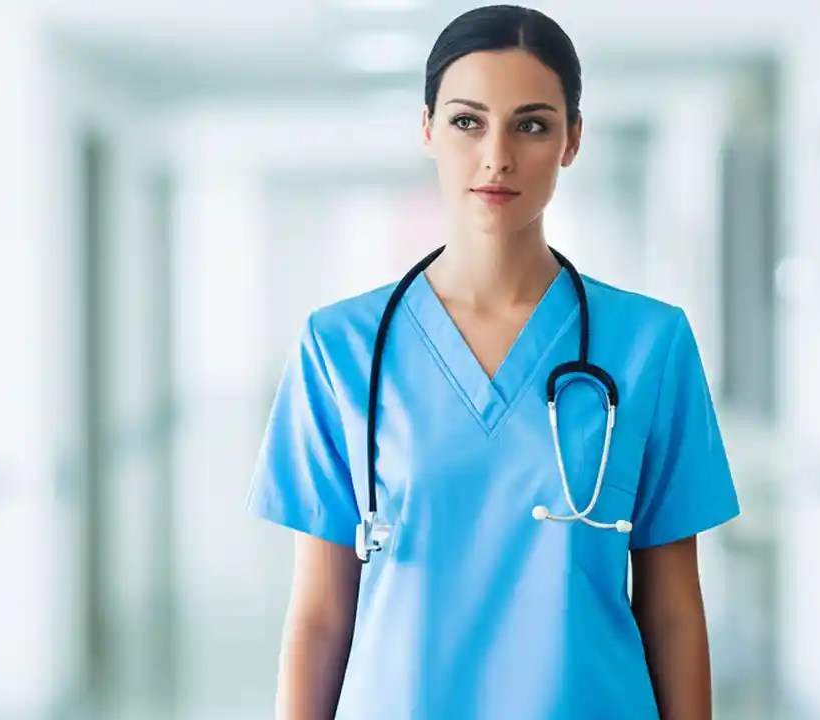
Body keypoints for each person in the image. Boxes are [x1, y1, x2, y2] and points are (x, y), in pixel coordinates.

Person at [246, 5, 740, 718]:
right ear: (427, 130)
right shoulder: (339, 348)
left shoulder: (650, 345)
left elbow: (672, 612)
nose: (497, 156)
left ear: (572, 139)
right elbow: (320, 619)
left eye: (532, 124)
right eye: (467, 121)